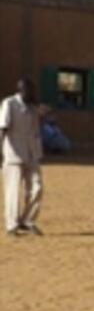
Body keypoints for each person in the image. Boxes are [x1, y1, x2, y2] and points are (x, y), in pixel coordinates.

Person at [1, 78, 44, 237]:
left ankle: (27, 220)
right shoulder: (9, 104)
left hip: (31, 153)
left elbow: (36, 129)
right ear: (22, 90)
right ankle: (12, 226)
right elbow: (3, 128)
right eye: (30, 90)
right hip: (13, 154)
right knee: (13, 191)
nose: (33, 93)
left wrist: (39, 108)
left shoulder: (33, 107)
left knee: (37, 188)